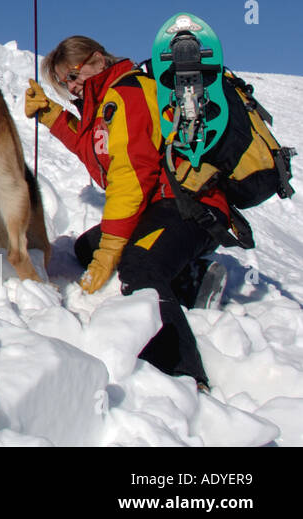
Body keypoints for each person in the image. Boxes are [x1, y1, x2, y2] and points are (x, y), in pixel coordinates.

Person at [25, 36, 230, 390]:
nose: (71, 86)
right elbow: (93, 147)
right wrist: (51, 114)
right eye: (63, 82)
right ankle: (193, 277)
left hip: (192, 206)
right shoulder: (102, 104)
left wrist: (111, 252)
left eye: (73, 74)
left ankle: (183, 375)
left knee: (138, 265)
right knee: (86, 248)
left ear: (99, 59)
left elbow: (130, 179)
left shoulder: (127, 94)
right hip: (159, 206)